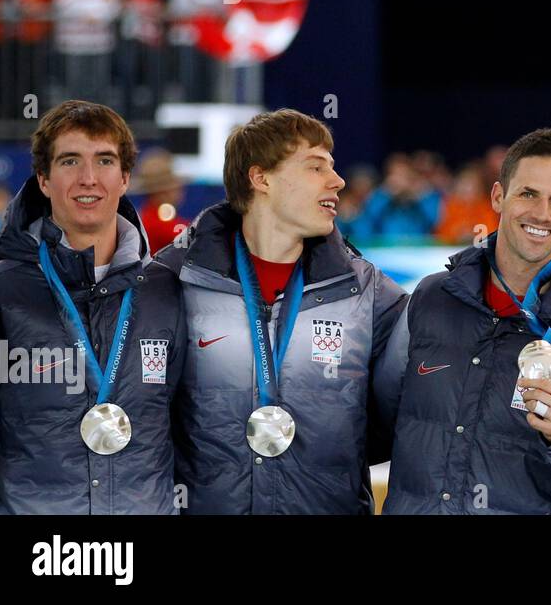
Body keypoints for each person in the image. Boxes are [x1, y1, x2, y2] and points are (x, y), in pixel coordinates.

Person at [134, 109, 408, 513]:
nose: (338, 181)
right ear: (261, 178)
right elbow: (146, 416)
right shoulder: (174, 282)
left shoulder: (367, 291)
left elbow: (403, 417)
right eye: (316, 167)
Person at [377, 128, 551, 514]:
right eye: (527, 194)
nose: (541, 214)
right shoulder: (431, 299)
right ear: (497, 197)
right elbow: (379, 421)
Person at [0, 101, 185, 514]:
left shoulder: (168, 290)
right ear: (43, 179)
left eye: (105, 160)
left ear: (126, 177)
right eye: (70, 160)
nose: (88, 178)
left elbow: (194, 431)